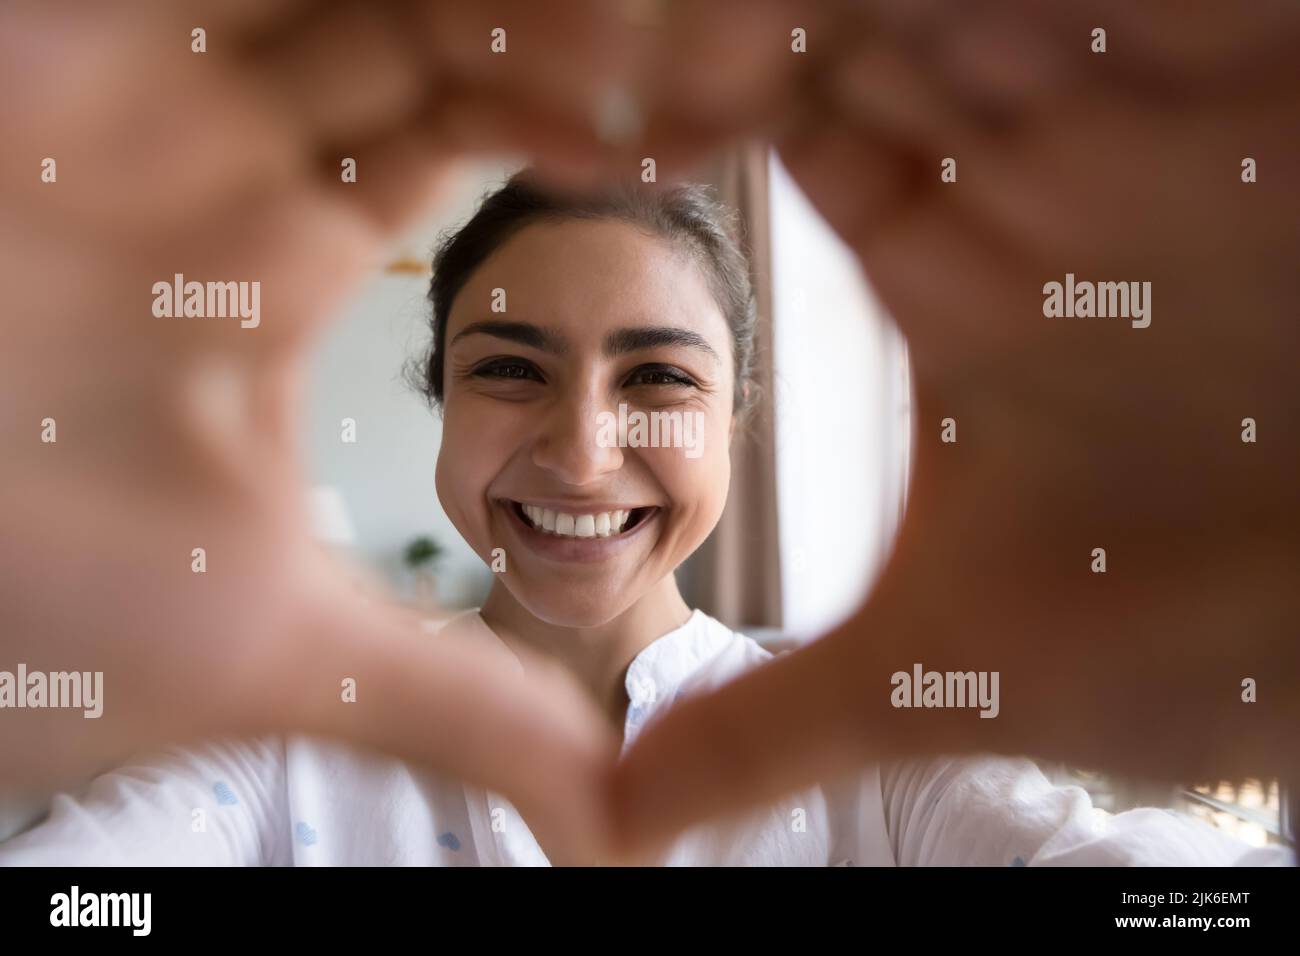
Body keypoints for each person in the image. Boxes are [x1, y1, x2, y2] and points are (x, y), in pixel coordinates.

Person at [2, 175, 1287, 866]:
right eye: (509, 367)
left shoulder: (875, 764)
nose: (578, 447)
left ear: (736, 418)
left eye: (659, 376)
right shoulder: (273, 761)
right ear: (438, 398)